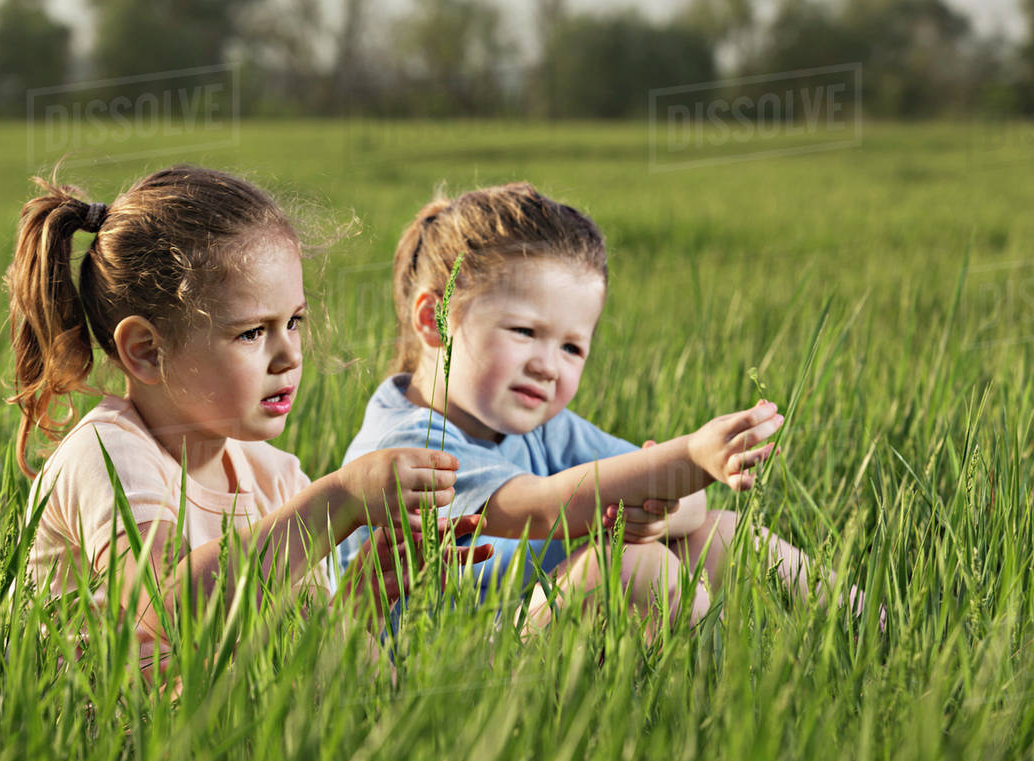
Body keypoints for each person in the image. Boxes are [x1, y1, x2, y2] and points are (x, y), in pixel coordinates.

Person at [6, 165, 491, 673]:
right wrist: (340, 500)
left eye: (294, 322)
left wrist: (357, 603)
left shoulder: (274, 477)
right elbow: (163, 607)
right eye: (252, 333)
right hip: (105, 730)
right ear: (148, 352)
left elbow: (284, 647)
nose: (289, 356)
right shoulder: (108, 452)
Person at [330, 182, 866, 636]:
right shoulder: (406, 448)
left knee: (718, 532)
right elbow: (544, 506)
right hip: (441, 672)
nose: (548, 365)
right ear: (435, 320)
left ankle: (871, 632)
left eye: (571, 347)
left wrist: (653, 512)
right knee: (631, 564)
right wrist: (690, 458)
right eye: (524, 332)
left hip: (516, 629)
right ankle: (710, 704)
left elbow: (680, 502)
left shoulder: (540, 427)